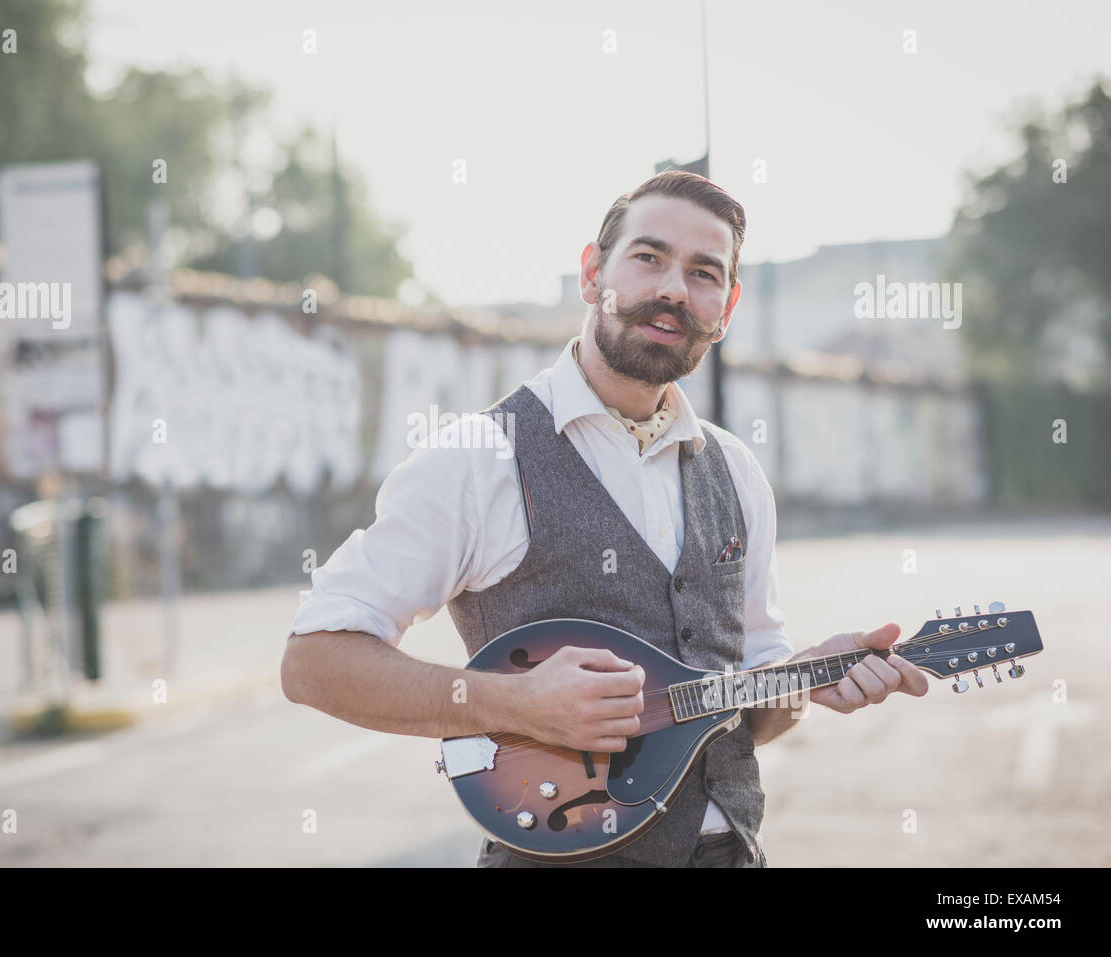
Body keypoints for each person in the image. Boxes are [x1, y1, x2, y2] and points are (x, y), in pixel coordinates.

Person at [281, 170, 929, 868]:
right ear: (593, 273)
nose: (675, 289)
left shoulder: (737, 472)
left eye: (703, 273)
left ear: (727, 307)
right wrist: (515, 703)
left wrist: (804, 685)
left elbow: (733, 718)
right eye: (649, 258)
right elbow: (313, 660)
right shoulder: (482, 458)